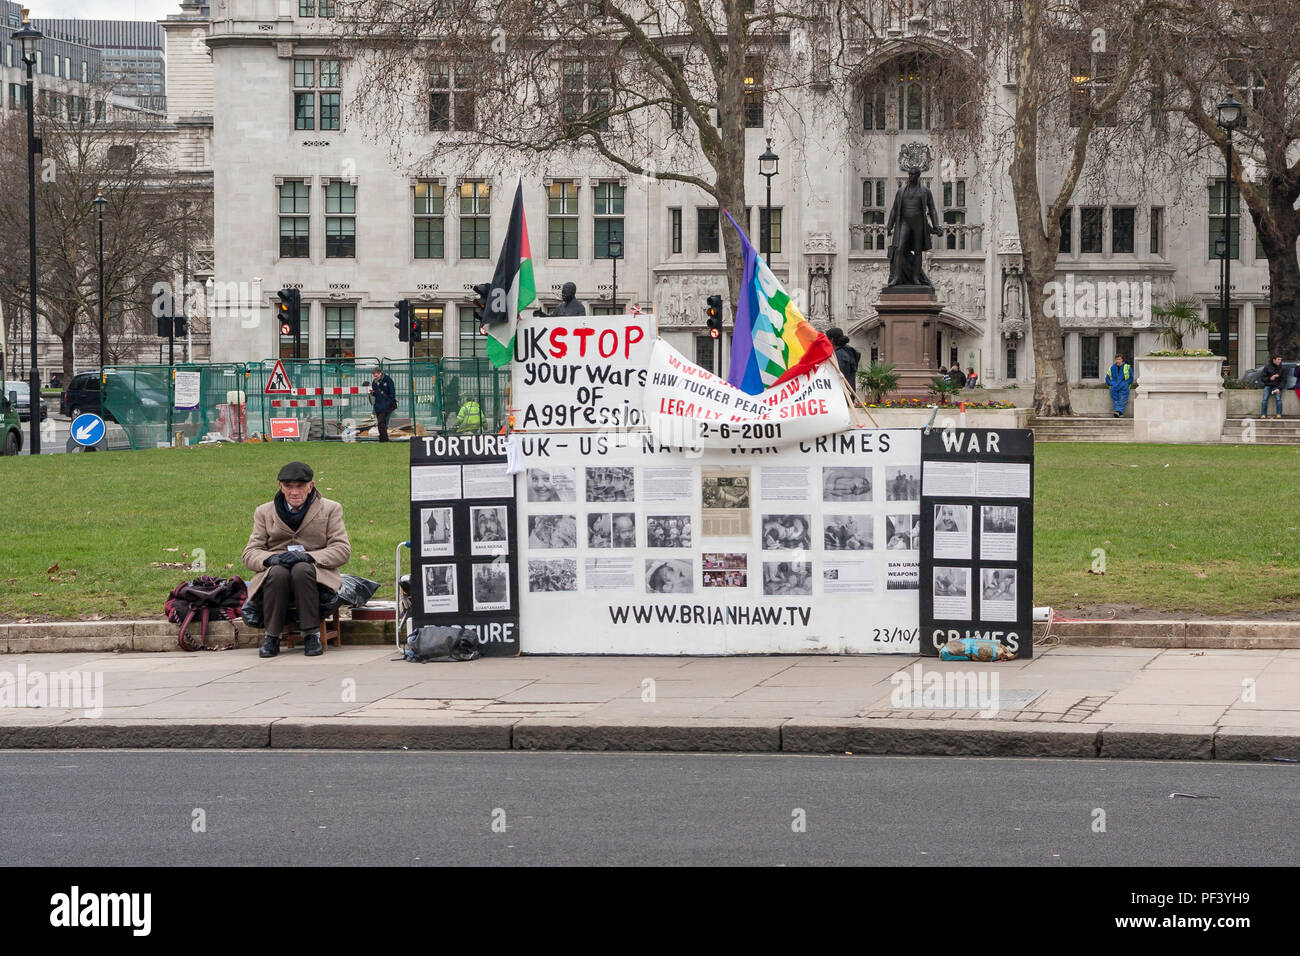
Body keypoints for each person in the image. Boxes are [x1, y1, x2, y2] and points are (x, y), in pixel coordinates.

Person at [243, 461, 351, 658]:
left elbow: (342, 550)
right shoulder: (264, 512)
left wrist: (308, 556)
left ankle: (311, 634)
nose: (294, 492)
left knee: (301, 569)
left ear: (310, 486)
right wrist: (271, 559)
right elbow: (250, 553)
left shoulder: (330, 509)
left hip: (316, 573)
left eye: (300, 486)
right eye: (288, 486)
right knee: (278, 572)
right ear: (280, 487)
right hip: (276, 573)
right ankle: (272, 636)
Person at [827, 328, 860, 392]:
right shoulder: (848, 351)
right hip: (849, 390)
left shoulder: (839, 355)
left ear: (831, 340)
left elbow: (838, 374)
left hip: (842, 393)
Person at [369, 365, 396, 442]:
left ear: (380, 373)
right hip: (378, 406)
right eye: (373, 374)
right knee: (382, 424)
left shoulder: (388, 380)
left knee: (381, 423)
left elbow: (392, 393)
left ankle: (384, 440)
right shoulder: (374, 382)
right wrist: (372, 393)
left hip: (386, 406)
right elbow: (376, 395)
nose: (375, 375)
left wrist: (389, 403)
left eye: (376, 373)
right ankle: (383, 440)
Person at [1105, 354, 1134, 418]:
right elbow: (1107, 378)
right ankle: (1119, 413)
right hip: (1114, 387)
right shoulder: (1112, 368)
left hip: (1123, 387)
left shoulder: (1127, 367)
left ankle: (1117, 412)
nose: (1118, 361)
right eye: (1117, 359)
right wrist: (1111, 384)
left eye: (1119, 359)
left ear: (1122, 360)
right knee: (1115, 400)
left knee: (1122, 400)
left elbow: (1131, 378)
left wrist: (1126, 384)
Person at [1260, 354, 1285, 419]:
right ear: (1274, 360)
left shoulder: (1282, 368)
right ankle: (1263, 414)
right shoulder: (1267, 367)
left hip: (1277, 386)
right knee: (1264, 400)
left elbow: (1284, 380)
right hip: (1268, 385)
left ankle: (1279, 414)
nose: (1280, 361)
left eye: (1280, 359)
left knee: (1278, 399)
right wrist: (1269, 378)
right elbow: (1262, 378)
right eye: (1278, 359)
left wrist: (1279, 388)